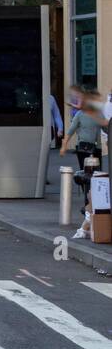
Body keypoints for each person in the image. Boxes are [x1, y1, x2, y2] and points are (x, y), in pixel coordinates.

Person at [60, 90, 108, 238]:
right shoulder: (79, 115)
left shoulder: (98, 115)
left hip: (96, 149)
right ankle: (88, 202)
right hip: (83, 148)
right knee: (86, 175)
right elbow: (70, 131)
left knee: (96, 176)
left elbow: (106, 127)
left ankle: (91, 203)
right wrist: (63, 146)